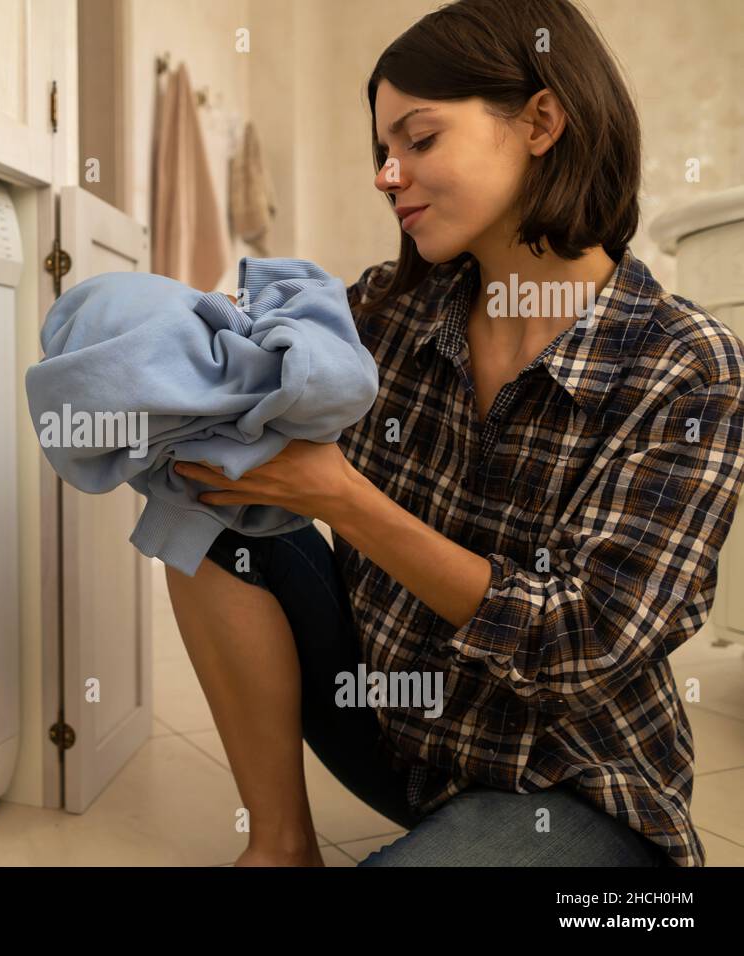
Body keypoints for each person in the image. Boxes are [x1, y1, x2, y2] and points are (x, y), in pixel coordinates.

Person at [167, 0, 744, 867]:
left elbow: (580, 643)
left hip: (574, 786)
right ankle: (282, 843)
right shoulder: (383, 315)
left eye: (419, 140)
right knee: (207, 496)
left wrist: (346, 501)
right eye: (382, 152)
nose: (386, 175)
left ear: (542, 121)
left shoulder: (684, 367)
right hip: (397, 734)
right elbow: (215, 372)